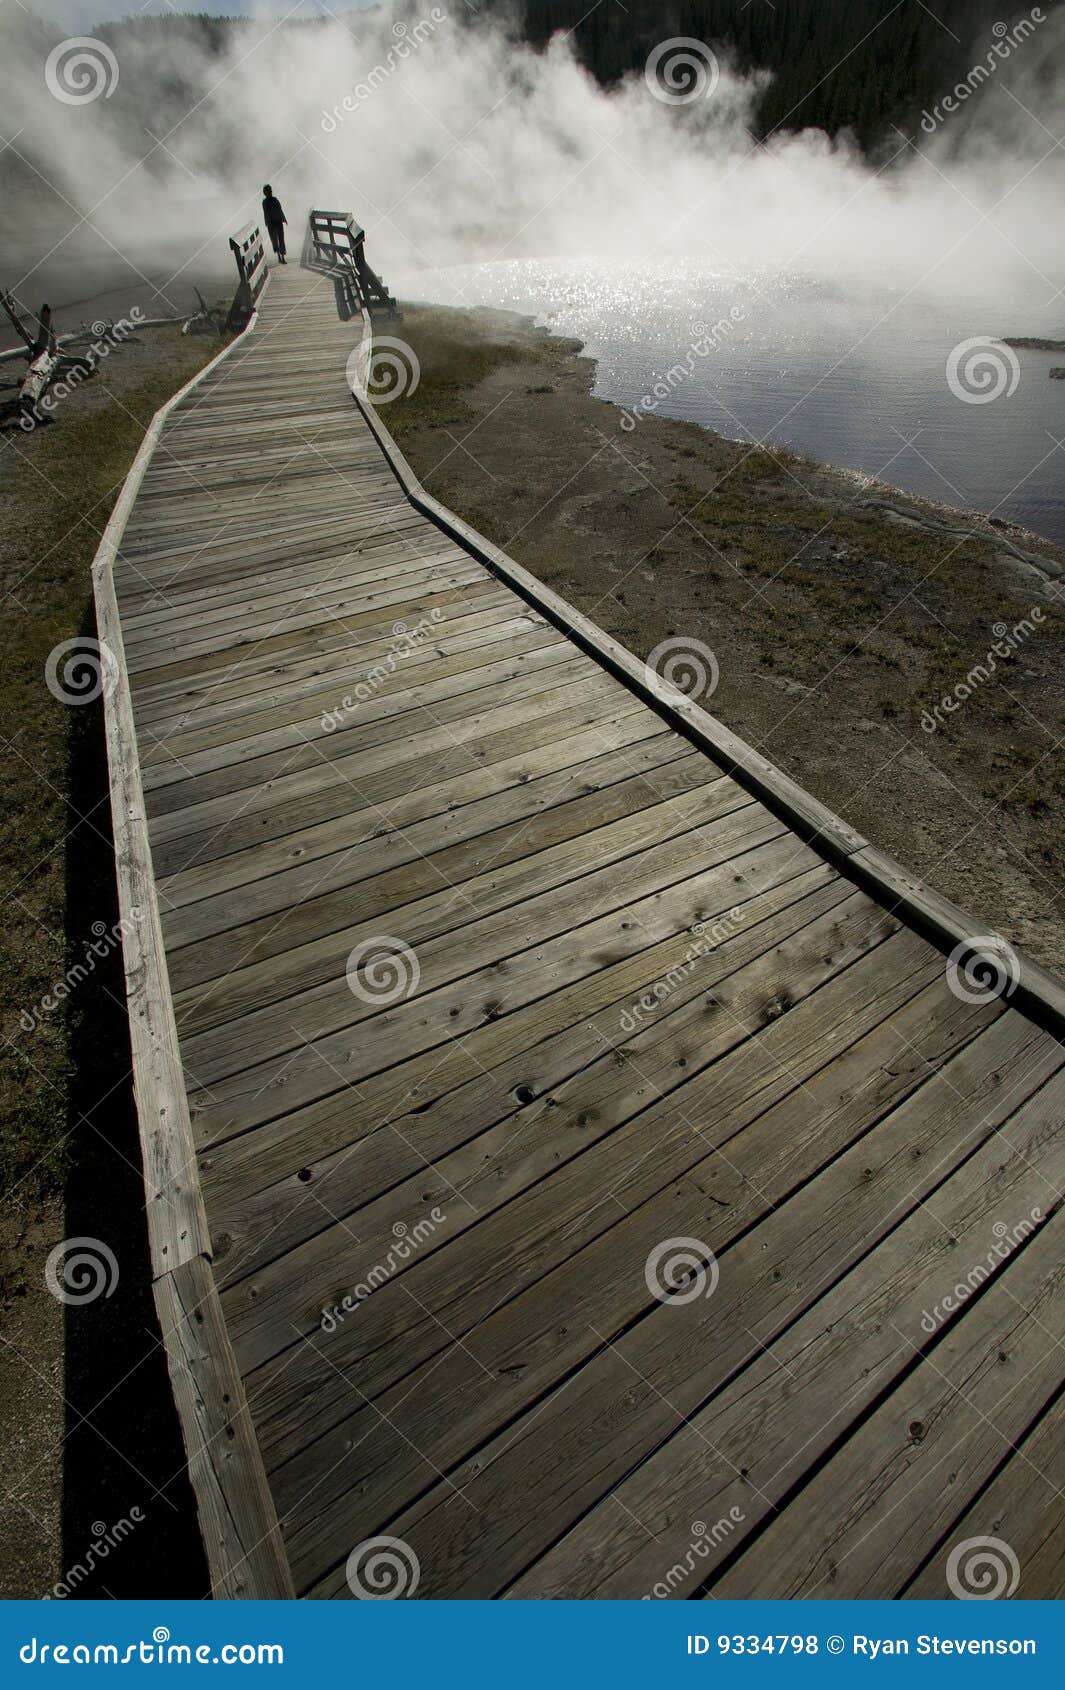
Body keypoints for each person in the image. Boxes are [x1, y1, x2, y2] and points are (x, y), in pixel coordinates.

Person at [262, 184, 287, 263]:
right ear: (265, 193)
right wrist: (266, 221)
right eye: (268, 191)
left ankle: (282, 257)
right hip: (271, 223)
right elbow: (266, 213)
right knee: (275, 240)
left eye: (270, 191)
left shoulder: (274, 200)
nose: (270, 193)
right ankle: (279, 256)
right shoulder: (265, 202)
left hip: (277, 222)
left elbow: (280, 209)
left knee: (280, 239)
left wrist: (284, 218)